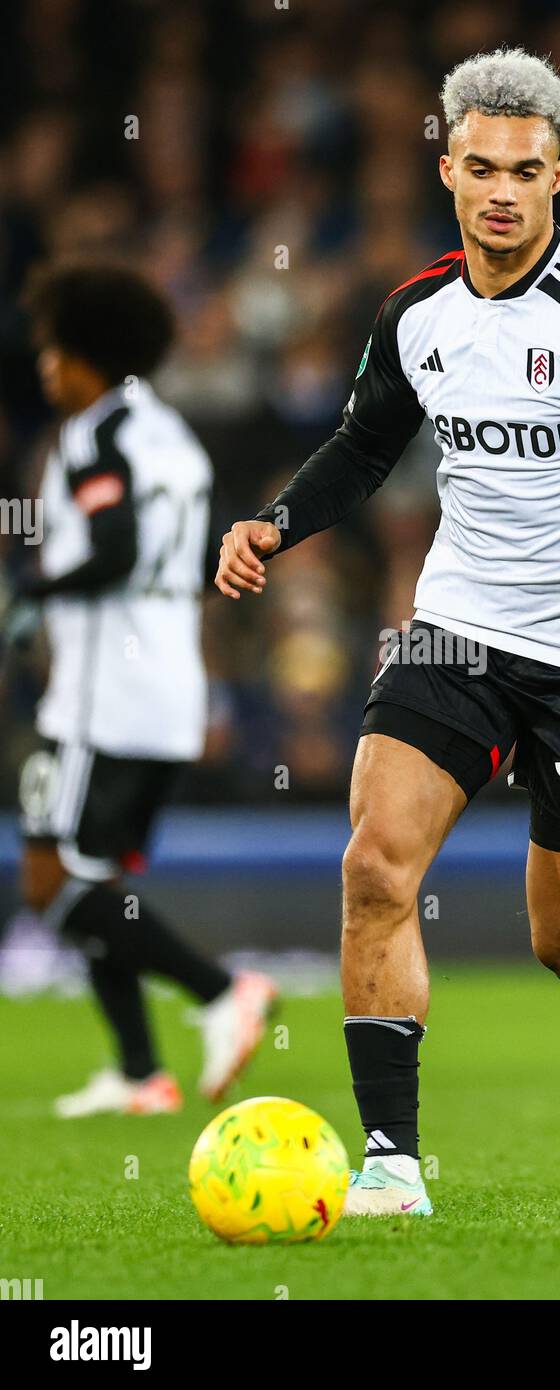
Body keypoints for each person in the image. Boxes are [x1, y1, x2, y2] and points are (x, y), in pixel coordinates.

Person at [215, 48, 560, 1214]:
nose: (502, 190)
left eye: (526, 169)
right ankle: (391, 1166)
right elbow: (366, 447)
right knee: (374, 865)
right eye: (481, 168)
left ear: (557, 174)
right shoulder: (415, 312)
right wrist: (273, 522)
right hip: (457, 626)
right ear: (447, 172)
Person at [16, 261, 276, 1116]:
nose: (45, 365)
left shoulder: (96, 434)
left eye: (56, 349)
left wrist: (30, 595)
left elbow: (117, 546)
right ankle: (139, 1074)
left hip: (104, 694)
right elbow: (204, 557)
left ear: (90, 354)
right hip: (168, 682)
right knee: (90, 876)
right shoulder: (173, 436)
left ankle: (217, 992)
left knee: (56, 884)